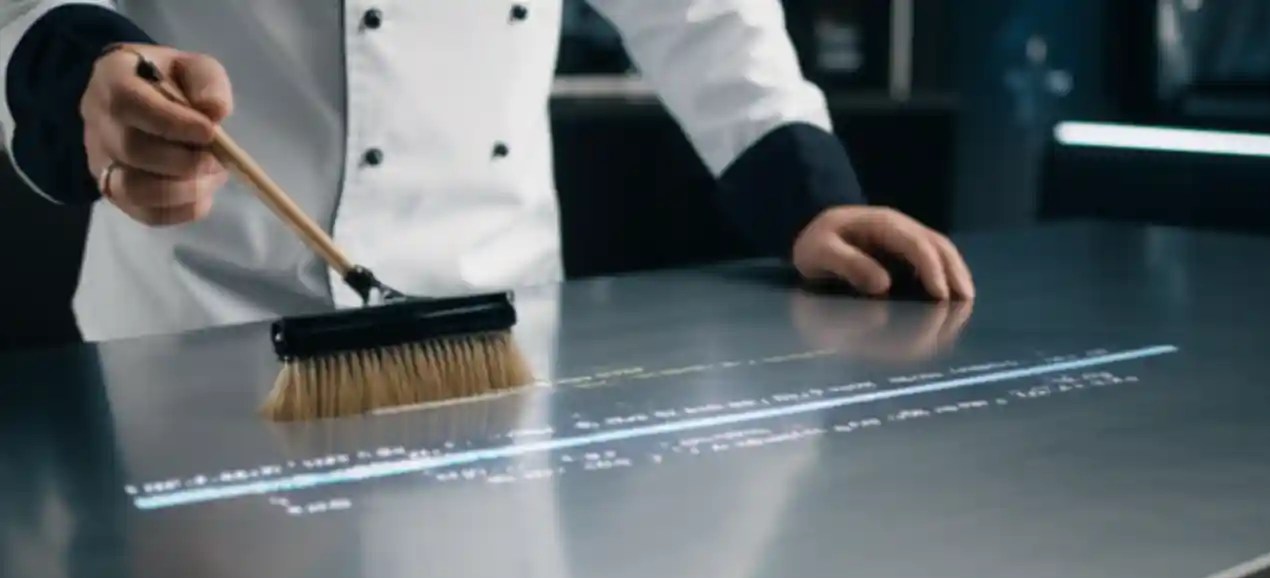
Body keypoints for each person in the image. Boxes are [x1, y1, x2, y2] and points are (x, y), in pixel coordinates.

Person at [0, 1, 974, 342]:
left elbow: (699, 9)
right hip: (197, 316)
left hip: (490, 327)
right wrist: (83, 75)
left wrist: (804, 193)